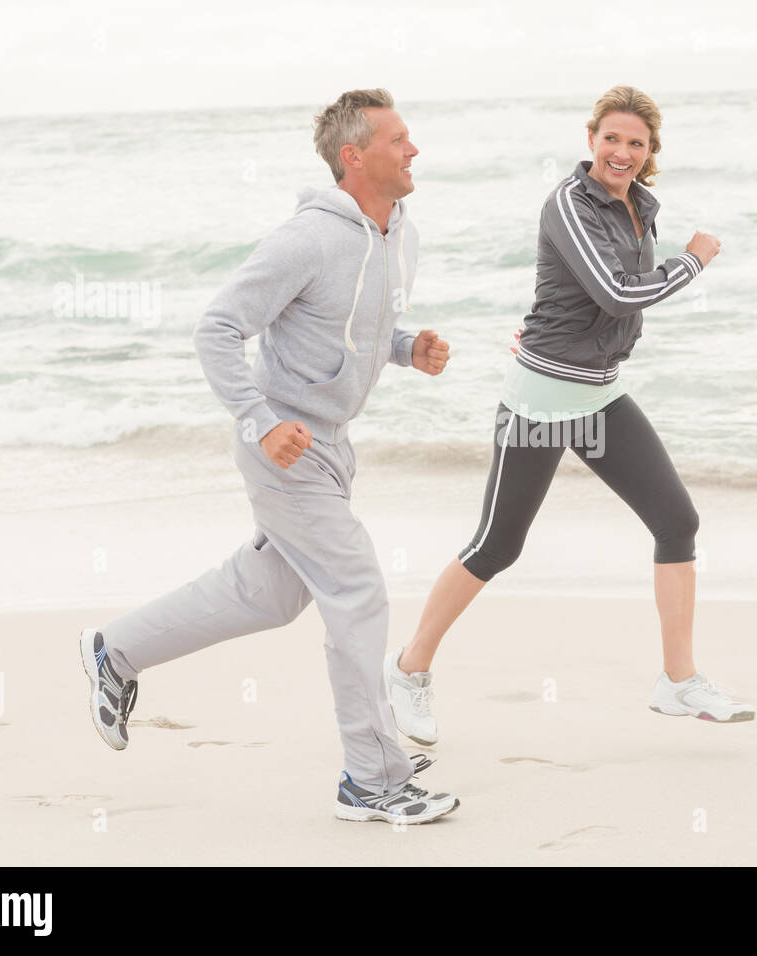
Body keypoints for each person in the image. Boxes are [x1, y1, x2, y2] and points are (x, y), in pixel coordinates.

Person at [79, 88, 460, 825]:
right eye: (399, 140)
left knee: (268, 594)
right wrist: (257, 421)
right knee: (357, 590)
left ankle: (113, 652)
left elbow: (354, 331)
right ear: (355, 157)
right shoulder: (308, 239)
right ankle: (371, 780)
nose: (414, 150)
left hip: (330, 449)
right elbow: (217, 328)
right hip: (282, 451)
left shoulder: (399, 233)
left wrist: (411, 350)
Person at [383, 85, 754, 745]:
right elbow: (615, 295)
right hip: (541, 400)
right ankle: (408, 669)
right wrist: (693, 260)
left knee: (677, 522)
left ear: (649, 152)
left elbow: (597, 305)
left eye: (636, 143)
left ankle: (678, 680)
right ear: (591, 140)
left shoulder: (637, 206)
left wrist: (563, 333)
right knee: (497, 546)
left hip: (600, 394)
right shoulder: (567, 203)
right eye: (611, 138)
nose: (622, 151)